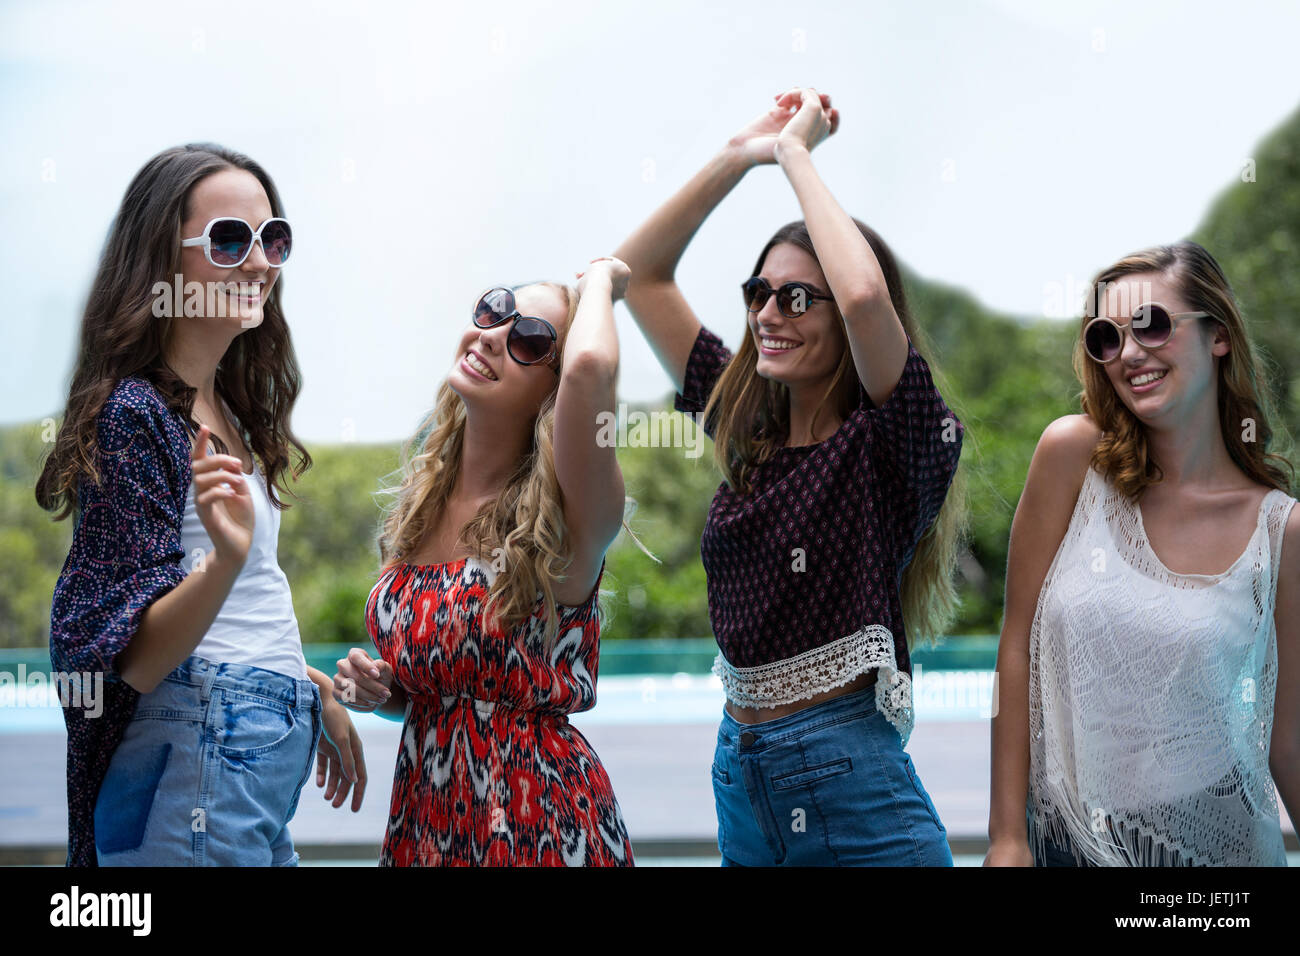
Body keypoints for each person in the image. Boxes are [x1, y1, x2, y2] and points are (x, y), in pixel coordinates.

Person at [612, 87, 967, 865]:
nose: (769, 313)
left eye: (800, 297)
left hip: (851, 783)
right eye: (760, 292)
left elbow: (869, 295)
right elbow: (635, 277)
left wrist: (795, 155)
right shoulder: (749, 430)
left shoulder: (893, 444)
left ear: (841, 317)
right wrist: (741, 156)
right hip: (741, 779)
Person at [37, 143, 366, 867]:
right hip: (201, 741)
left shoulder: (228, 409)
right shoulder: (135, 415)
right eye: (228, 240)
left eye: (272, 238)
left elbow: (229, 619)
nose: (259, 262)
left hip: (244, 739)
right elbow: (131, 660)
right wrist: (224, 562)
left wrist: (302, 685)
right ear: (163, 262)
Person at [986, 240, 1300, 866]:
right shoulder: (1072, 459)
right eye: (1106, 337)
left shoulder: (1281, 531)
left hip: (1214, 859)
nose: (1129, 354)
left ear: (1218, 335)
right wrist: (1006, 839)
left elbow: (1287, 736)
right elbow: (1015, 647)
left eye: (1152, 325)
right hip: (1061, 843)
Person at [334, 260, 635, 866]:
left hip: (538, 828)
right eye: (495, 311)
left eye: (529, 340)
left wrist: (601, 279)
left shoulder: (569, 519)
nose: (494, 335)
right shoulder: (421, 506)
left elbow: (590, 367)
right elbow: (439, 694)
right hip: (427, 827)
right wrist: (378, 690)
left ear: (554, 394)